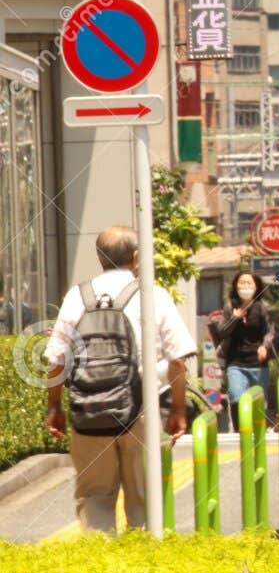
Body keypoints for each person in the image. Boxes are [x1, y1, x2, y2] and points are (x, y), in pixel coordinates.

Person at [43, 226, 196, 534]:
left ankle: (103, 567)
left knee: (95, 495)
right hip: (143, 411)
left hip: (89, 412)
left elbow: (57, 359)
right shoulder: (154, 296)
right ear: (137, 257)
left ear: (99, 257)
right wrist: (178, 409)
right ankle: (140, 569)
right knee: (143, 498)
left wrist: (54, 407)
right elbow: (178, 359)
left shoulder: (77, 296)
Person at [209, 271, 275, 433]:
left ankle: (258, 431)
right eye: (242, 283)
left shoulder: (262, 308)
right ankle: (240, 431)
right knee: (237, 397)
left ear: (256, 286)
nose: (245, 286)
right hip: (235, 363)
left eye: (249, 283)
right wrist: (235, 317)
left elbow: (270, 331)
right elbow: (221, 331)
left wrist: (264, 346)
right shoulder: (230, 307)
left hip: (258, 364)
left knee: (259, 403)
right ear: (236, 287)